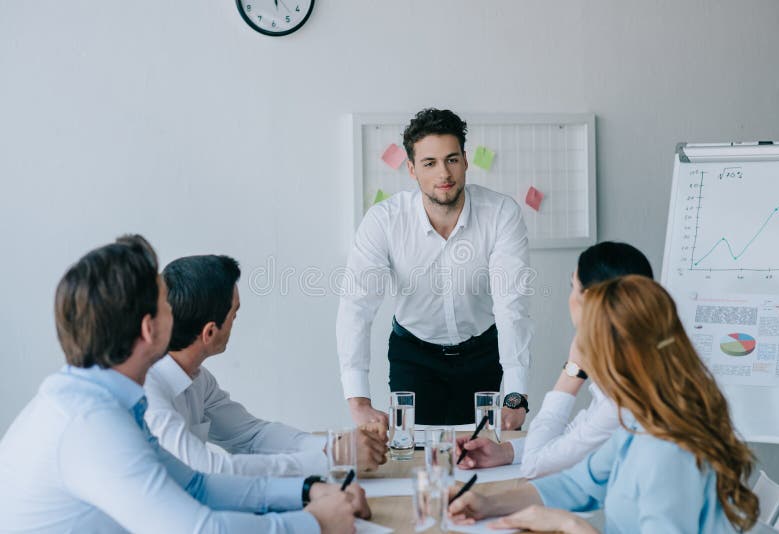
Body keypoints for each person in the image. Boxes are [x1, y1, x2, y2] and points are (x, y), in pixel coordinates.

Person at [0, 235, 368, 533]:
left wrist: (308, 490)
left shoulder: (109, 400)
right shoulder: (91, 422)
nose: (175, 309)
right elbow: (198, 529)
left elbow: (197, 485)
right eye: (165, 303)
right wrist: (316, 524)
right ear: (150, 328)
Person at [448, 276, 759, 533]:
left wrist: (571, 525)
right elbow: (578, 485)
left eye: (586, 345)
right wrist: (487, 503)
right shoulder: (639, 418)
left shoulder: (667, 451)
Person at [337, 108, 534, 427]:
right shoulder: (384, 220)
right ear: (412, 169)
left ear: (466, 161)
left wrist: (516, 396)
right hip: (413, 356)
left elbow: (512, 304)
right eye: (430, 163)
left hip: (482, 353)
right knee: (412, 451)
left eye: (451, 159)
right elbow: (356, 306)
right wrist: (358, 400)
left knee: (482, 450)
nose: (444, 173)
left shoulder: (501, 214)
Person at [145, 254, 388, 477]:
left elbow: (251, 436)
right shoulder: (148, 393)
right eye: (234, 315)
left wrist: (336, 447)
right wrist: (333, 458)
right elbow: (208, 469)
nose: (235, 323)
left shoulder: (198, 379)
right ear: (209, 332)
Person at [456, 242, 653, 478]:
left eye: (573, 286)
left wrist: (572, 371)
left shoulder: (621, 401)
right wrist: (505, 452)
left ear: (588, 300)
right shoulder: (634, 373)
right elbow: (573, 439)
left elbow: (535, 465)